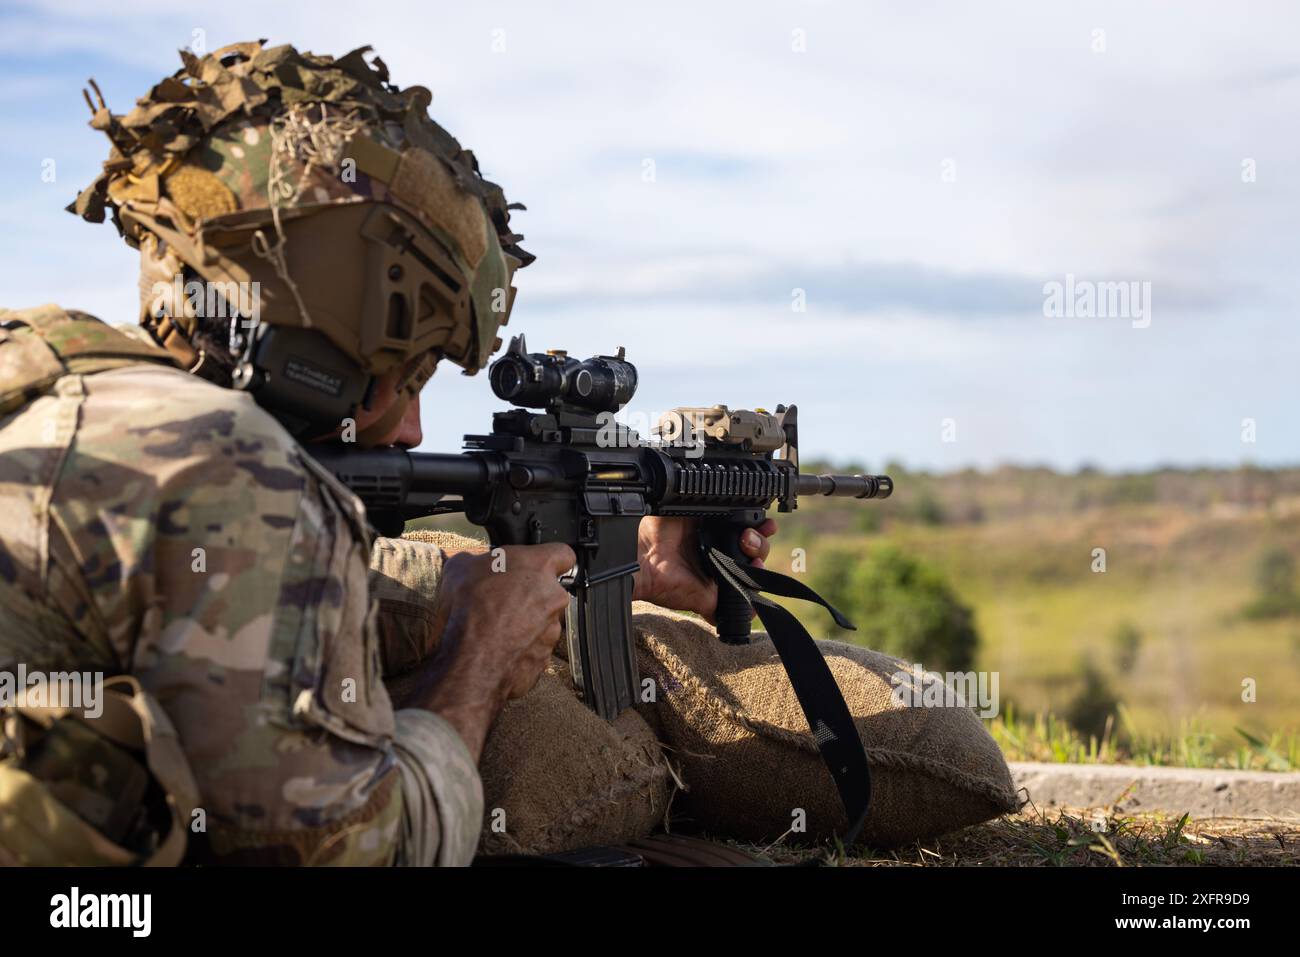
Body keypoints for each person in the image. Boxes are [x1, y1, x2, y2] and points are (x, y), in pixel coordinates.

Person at [0, 40, 773, 865]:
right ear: (330, 352)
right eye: (408, 375)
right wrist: (474, 658)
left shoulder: (50, 375)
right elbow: (346, 851)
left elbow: (255, 594)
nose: (410, 429)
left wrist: (626, 562)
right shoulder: (229, 468)